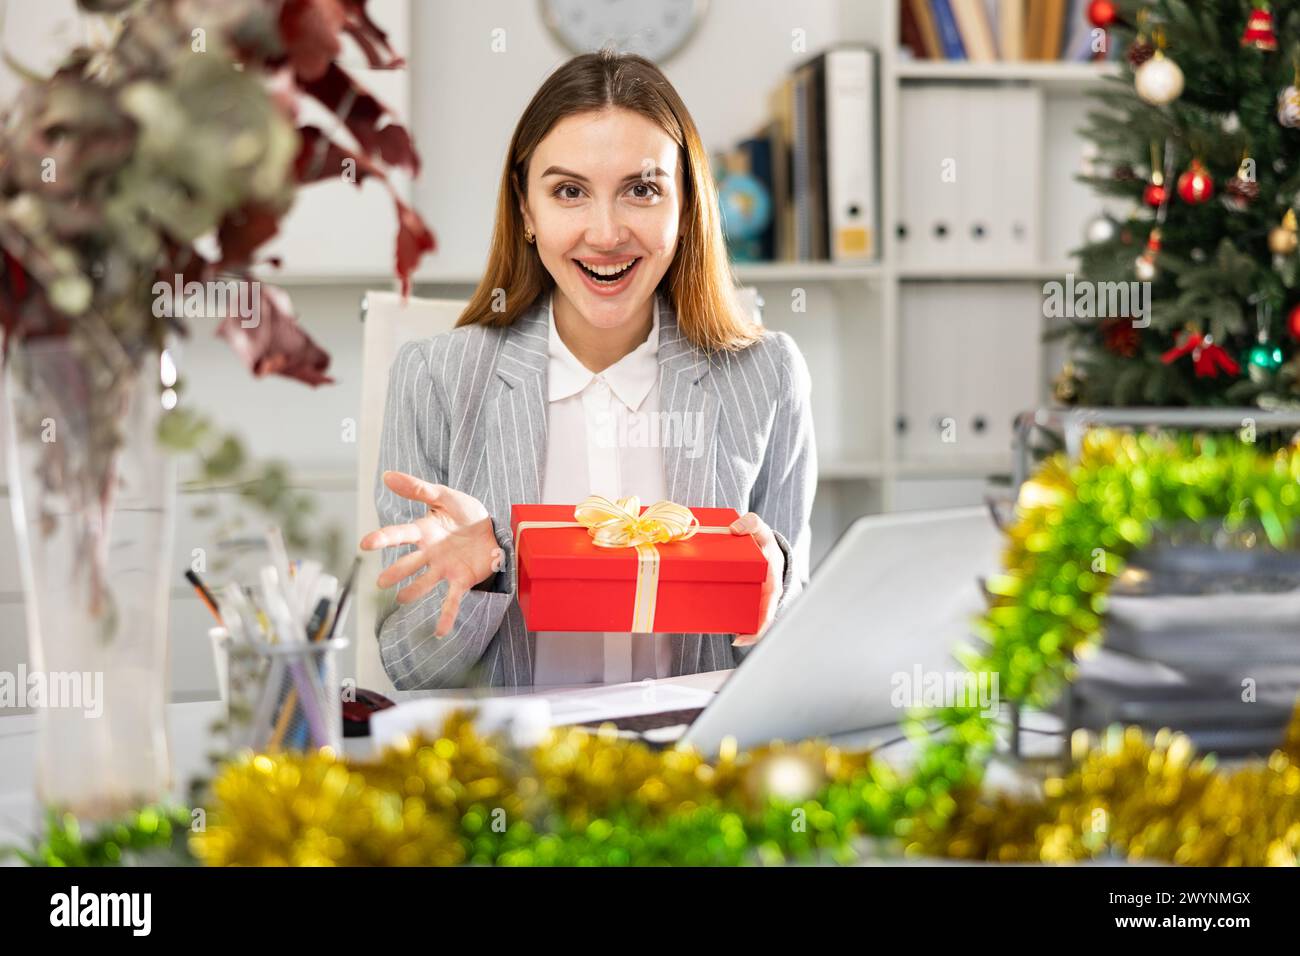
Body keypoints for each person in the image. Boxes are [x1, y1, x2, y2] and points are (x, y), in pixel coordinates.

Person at [359, 49, 817, 689]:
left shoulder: (767, 378)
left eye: (642, 189)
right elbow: (409, 666)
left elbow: (790, 658)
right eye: (569, 192)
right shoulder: (433, 379)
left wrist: (778, 588)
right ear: (525, 209)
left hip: (690, 773)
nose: (605, 234)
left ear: (686, 204)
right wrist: (483, 577)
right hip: (516, 778)